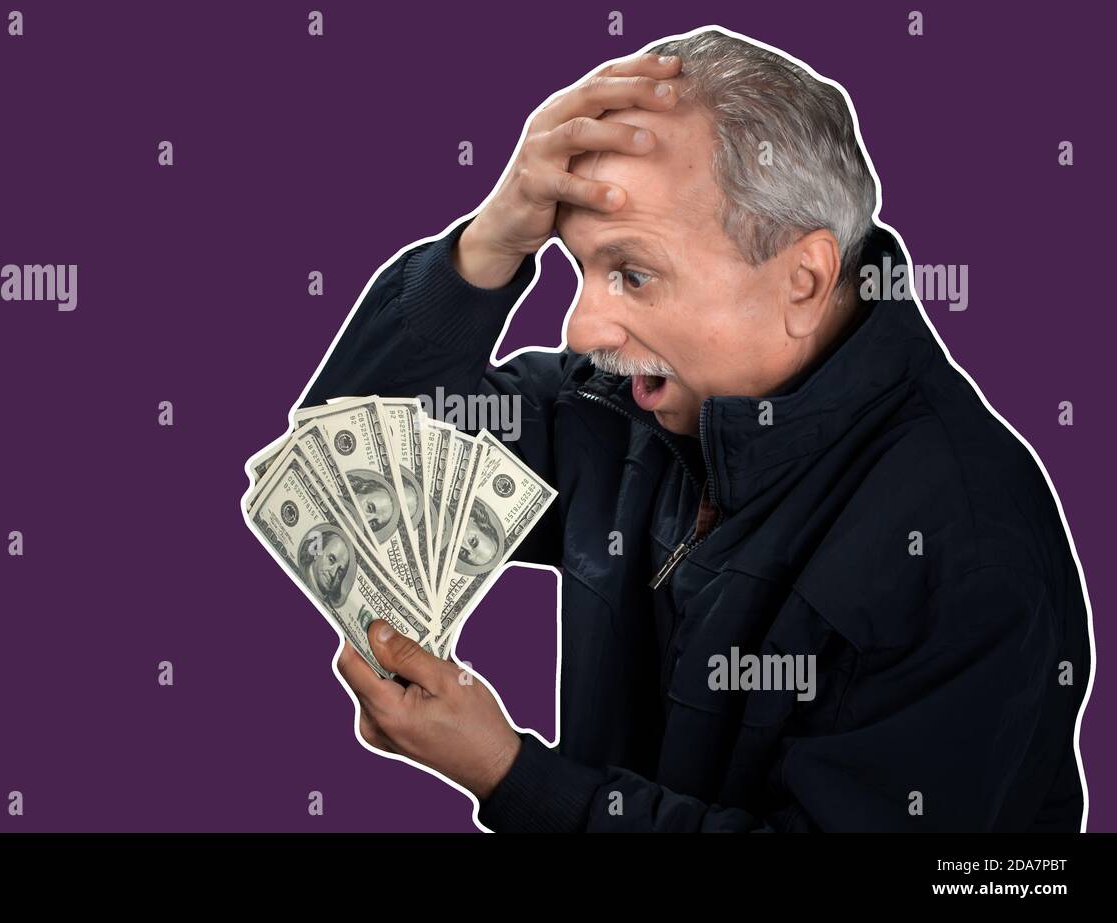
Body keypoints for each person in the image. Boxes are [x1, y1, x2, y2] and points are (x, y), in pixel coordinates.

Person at [320, 30, 1091, 832]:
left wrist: (511, 775)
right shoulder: (614, 407)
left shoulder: (965, 549)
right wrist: (488, 244)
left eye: (634, 273)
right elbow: (357, 458)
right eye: (578, 267)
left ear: (804, 279)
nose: (582, 330)